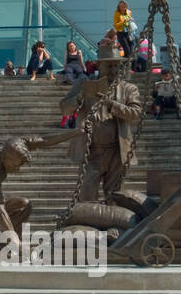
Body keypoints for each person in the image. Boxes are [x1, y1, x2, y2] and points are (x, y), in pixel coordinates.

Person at [59, 45, 142, 201]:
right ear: (99, 65)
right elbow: (64, 109)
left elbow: (136, 114)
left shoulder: (129, 89)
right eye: (108, 65)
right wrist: (79, 98)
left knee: (115, 197)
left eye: (116, 65)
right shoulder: (84, 85)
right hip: (92, 151)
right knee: (87, 195)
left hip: (117, 151)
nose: (113, 69)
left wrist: (112, 105)